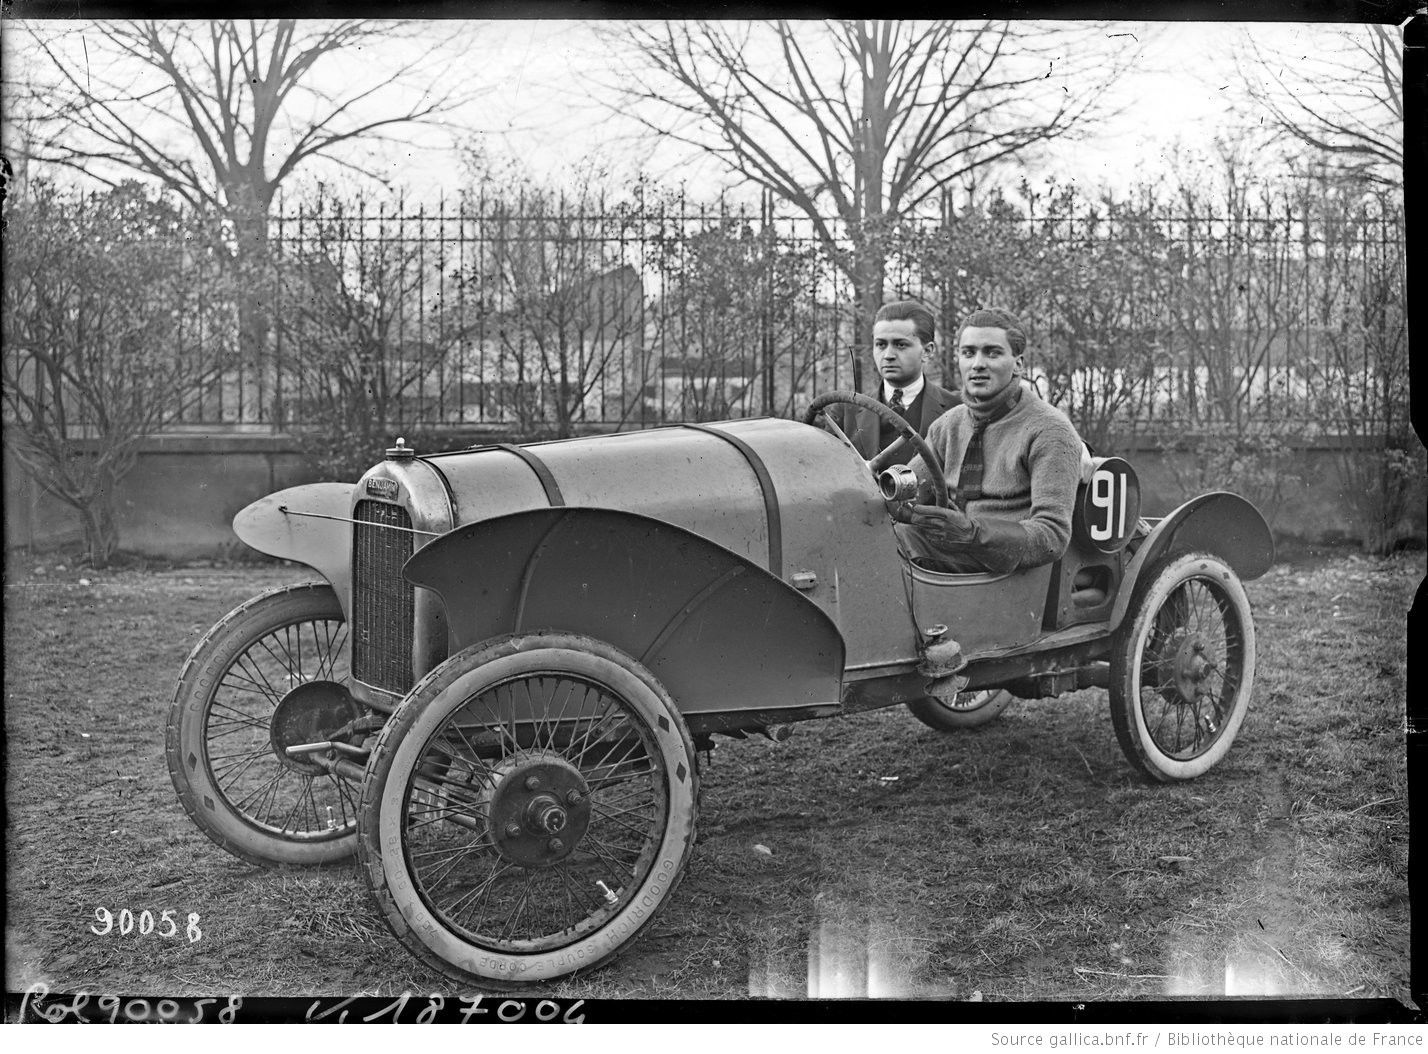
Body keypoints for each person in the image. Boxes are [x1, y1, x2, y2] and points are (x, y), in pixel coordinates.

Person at [898, 308, 1084, 576]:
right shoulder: (948, 425)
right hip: (946, 557)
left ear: (1018, 364)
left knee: (894, 544)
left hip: (1004, 571)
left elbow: (1052, 536)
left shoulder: (1049, 430)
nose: (977, 364)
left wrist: (973, 535)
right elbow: (907, 490)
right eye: (968, 353)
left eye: (992, 353)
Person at [830, 300, 959, 460]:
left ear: (927, 351)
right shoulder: (845, 413)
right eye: (881, 344)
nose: (888, 355)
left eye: (901, 345)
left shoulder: (956, 409)